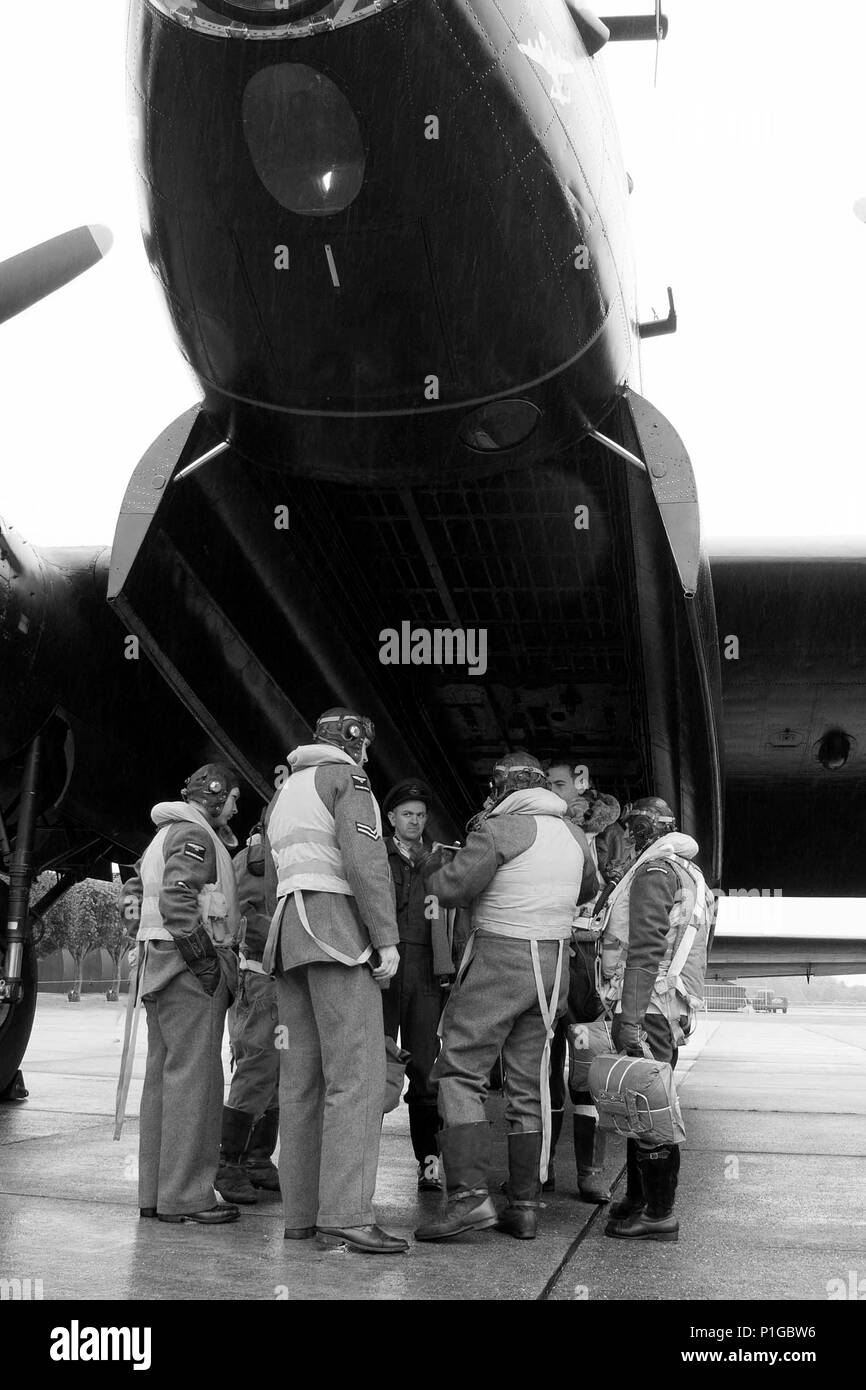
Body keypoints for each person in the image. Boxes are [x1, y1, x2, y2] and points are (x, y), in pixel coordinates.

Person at [414, 752, 586, 1243]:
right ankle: (525, 1206)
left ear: (503, 788)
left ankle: (468, 1200)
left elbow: (452, 889)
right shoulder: (572, 833)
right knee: (528, 1083)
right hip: (553, 963)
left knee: (460, 1070)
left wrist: (434, 861)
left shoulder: (500, 827)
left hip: (501, 957)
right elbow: (588, 886)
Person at [261, 708, 407, 1255]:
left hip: (288, 940)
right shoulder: (350, 780)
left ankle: (301, 1216)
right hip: (337, 935)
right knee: (357, 1077)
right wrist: (386, 938)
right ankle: (346, 1214)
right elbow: (366, 862)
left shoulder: (284, 792)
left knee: (300, 1084)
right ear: (358, 745)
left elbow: (273, 877)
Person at [125, 763, 242, 1225]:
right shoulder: (194, 836)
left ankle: (156, 1195)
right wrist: (206, 963)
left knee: (162, 1083)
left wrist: (144, 944)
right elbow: (177, 900)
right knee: (196, 1085)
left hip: (159, 970)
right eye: (232, 797)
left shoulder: (162, 834)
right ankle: (189, 1197)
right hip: (189, 973)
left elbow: (133, 894)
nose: (235, 806)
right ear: (214, 795)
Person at [598, 796, 712, 1242]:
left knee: (650, 1108)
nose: (625, 836)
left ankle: (659, 1213)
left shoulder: (652, 871)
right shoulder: (687, 872)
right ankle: (639, 1197)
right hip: (669, 1006)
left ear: (645, 831)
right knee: (637, 1100)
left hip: (649, 1006)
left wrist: (629, 1016)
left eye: (631, 828)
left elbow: (645, 950)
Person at [540, 762, 613, 1200]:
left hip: (585, 970)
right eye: (547, 785)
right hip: (547, 964)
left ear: (579, 787)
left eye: (561, 784)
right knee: (543, 1073)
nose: (553, 791)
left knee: (586, 1077)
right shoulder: (536, 831)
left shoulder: (609, 836)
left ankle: (589, 1174)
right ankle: (542, 1170)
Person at [381, 779, 454, 1192]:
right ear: (392, 818)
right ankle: (356, 1165)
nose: (415, 821)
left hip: (427, 971)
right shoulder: (377, 855)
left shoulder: (438, 861)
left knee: (427, 1074)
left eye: (421, 815)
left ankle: (429, 1165)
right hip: (383, 971)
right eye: (407, 814)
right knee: (374, 1066)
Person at [214, 824, 280, 1205]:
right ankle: (230, 1162)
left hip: (279, 981)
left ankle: (257, 1159)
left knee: (276, 1069)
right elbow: (247, 922)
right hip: (261, 980)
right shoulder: (256, 858)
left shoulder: (279, 853)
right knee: (257, 1067)